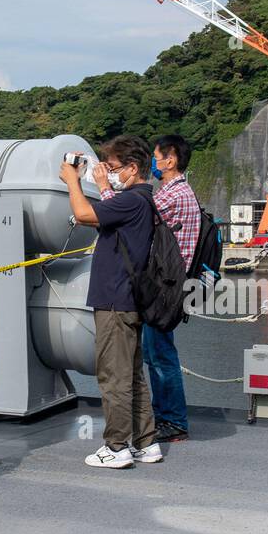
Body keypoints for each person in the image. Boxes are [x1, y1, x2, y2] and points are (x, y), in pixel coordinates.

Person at [59, 135, 160, 468]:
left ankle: (116, 447)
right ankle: (146, 442)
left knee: (113, 376)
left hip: (116, 301)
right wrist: (102, 182)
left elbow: (84, 213)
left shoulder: (132, 199)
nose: (109, 172)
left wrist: (73, 180)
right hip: (127, 298)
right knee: (131, 373)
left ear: (132, 168)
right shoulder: (141, 198)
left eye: (114, 167)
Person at [92, 134, 199, 442]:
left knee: (159, 356)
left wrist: (104, 188)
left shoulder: (171, 195)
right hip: (172, 285)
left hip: (162, 288)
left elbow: (132, 214)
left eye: (157, 156)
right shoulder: (180, 192)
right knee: (155, 355)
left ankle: (172, 421)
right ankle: (160, 420)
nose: (155, 161)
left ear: (171, 160)